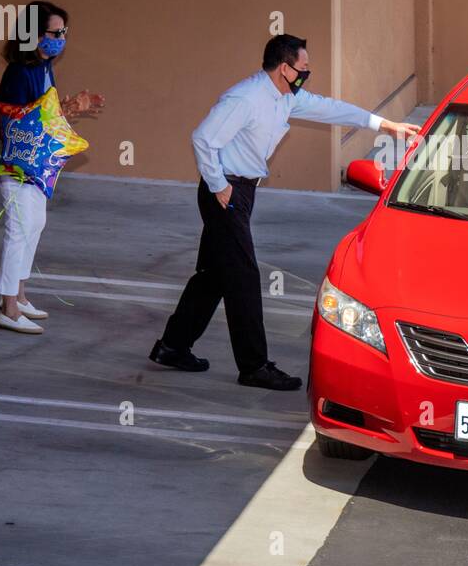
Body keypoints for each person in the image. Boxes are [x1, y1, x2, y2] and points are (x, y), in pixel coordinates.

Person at [150, 34, 420, 389]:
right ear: (284, 68)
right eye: (303, 67)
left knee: (215, 274)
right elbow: (203, 138)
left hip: (241, 191)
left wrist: (383, 125)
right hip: (226, 193)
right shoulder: (245, 98)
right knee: (244, 277)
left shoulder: (285, 96)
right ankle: (254, 366)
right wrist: (219, 186)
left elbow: (329, 107)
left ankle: (172, 346)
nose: (307, 72)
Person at [0, 1, 104, 334]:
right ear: (33, 34)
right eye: (56, 32)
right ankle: (8, 308)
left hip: (36, 164)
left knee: (35, 223)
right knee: (19, 230)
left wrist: (69, 108)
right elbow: (22, 120)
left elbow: (45, 114)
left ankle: (18, 294)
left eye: (63, 32)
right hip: (17, 165)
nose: (61, 39)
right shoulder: (18, 73)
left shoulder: (43, 67)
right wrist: (66, 108)